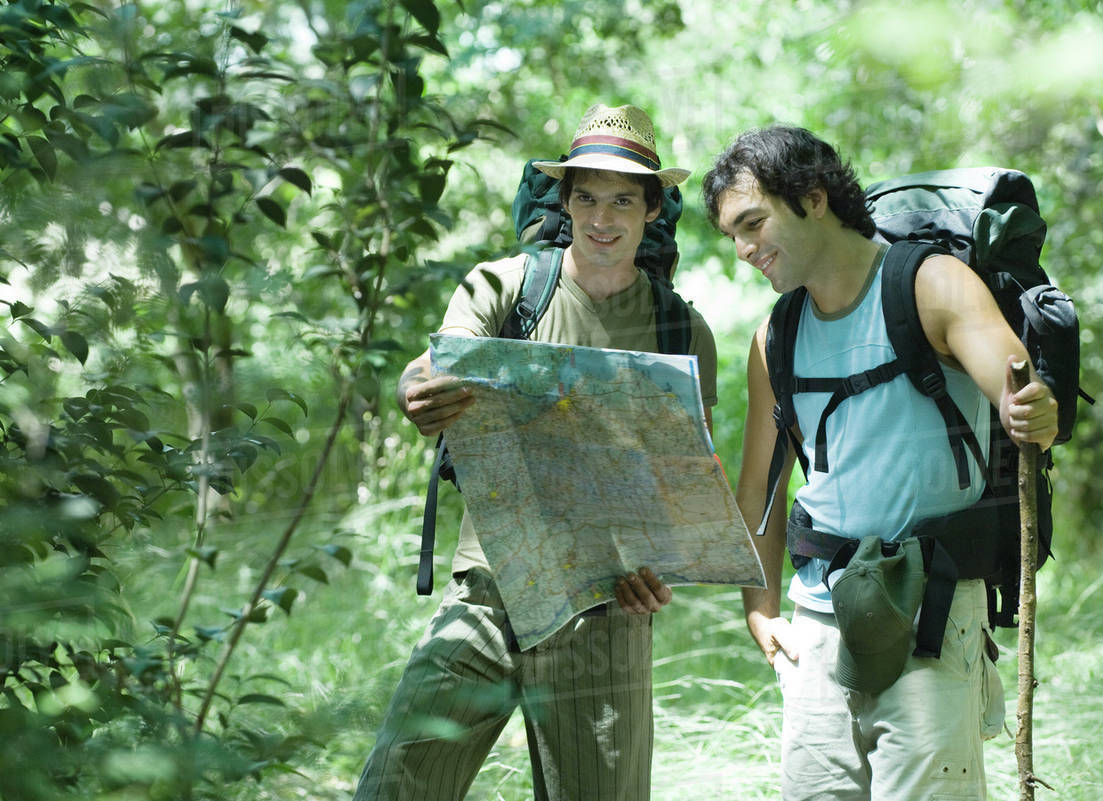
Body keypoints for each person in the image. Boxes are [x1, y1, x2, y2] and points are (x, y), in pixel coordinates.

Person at [353, 103, 719, 801]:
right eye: (585, 196)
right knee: (397, 783)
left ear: (650, 211)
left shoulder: (681, 330)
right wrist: (416, 388)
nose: (601, 217)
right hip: (488, 589)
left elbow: (684, 480)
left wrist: (663, 564)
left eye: (621, 200)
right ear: (565, 201)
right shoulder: (508, 286)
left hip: (607, 607)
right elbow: (433, 362)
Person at [701, 126, 1058, 801]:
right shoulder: (774, 334)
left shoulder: (934, 285)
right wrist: (762, 607)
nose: (745, 250)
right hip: (818, 619)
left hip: (936, 611)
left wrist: (1035, 412)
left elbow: (1021, 400)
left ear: (812, 199)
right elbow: (761, 490)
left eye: (753, 223)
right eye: (733, 237)